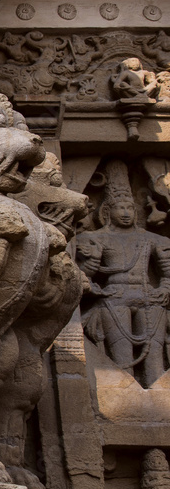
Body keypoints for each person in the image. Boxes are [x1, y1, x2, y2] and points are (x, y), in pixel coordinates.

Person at [77, 160, 170, 387]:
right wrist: (94, 264)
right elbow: (81, 276)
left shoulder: (153, 239)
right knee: (120, 357)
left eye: (130, 207)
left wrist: (165, 289)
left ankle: (159, 398)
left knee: (155, 357)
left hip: (149, 297)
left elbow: (167, 272)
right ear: (107, 210)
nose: (127, 212)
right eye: (121, 207)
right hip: (115, 298)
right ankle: (123, 396)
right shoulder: (95, 238)